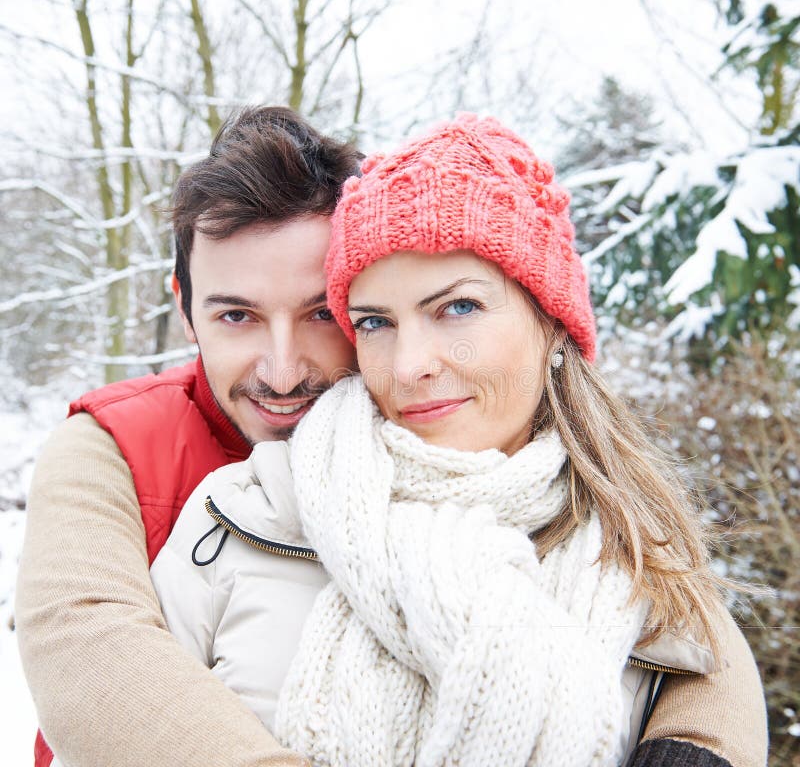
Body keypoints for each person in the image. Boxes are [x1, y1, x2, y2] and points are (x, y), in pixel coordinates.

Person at [150, 115, 768, 766]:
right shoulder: (246, 512)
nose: (410, 363)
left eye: (458, 307)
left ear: (551, 319)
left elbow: (718, 691)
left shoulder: (642, 559)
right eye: (374, 322)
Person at [15, 106, 361, 767]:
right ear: (184, 308)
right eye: (238, 315)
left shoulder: (427, 437)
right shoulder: (109, 447)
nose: (282, 372)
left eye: (321, 313)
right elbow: (85, 640)